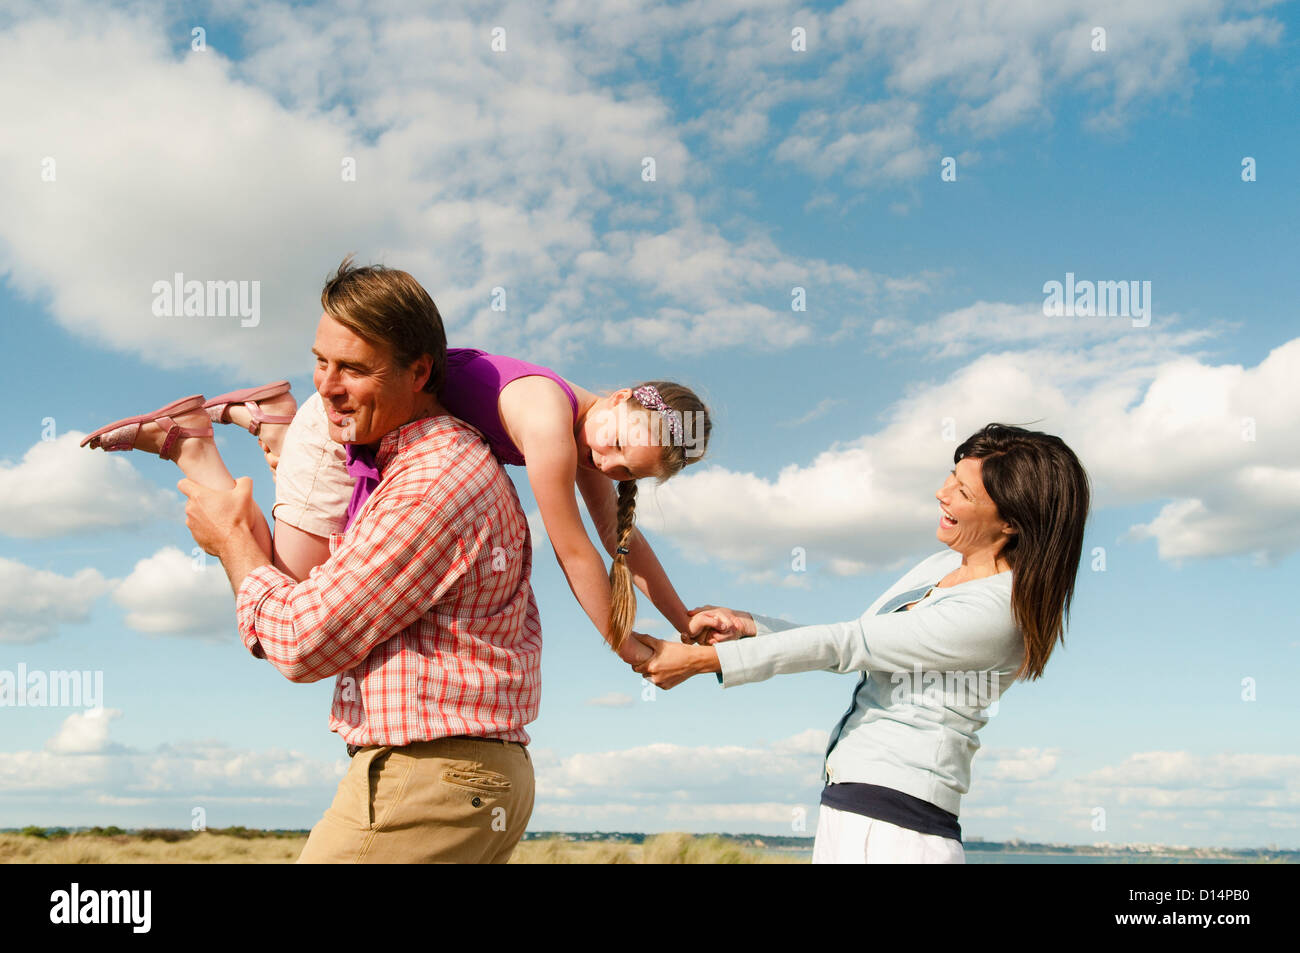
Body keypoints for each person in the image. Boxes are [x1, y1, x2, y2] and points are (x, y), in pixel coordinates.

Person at [81, 263, 712, 668]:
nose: (608, 462)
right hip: (338, 430)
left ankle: (268, 417)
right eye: (618, 445)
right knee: (288, 601)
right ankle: (194, 443)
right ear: (625, 395)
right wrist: (625, 645)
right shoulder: (550, 422)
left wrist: (685, 622)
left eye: (630, 472)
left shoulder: (588, 432)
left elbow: (617, 540)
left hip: (379, 432)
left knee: (325, 580)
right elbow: (574, 550)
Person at [166, 260, 542, 862]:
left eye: (354, 369)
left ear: (420, 371)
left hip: (429, 779)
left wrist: (233, 542)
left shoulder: (431, 482)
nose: (327, 385)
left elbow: (304, 641)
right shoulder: (407, 469)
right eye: (321, 361)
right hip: (461, 777)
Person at [632, 423, 1091, 864]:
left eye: (964, 492)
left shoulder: (994, 610)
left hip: (898, 826)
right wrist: (747, 626)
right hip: (852, 804)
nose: (942, 492)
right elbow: (860, 637)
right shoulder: (939, 566)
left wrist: (704, 661)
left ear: (1011, 523)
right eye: (953, 475)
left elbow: (847, 645)